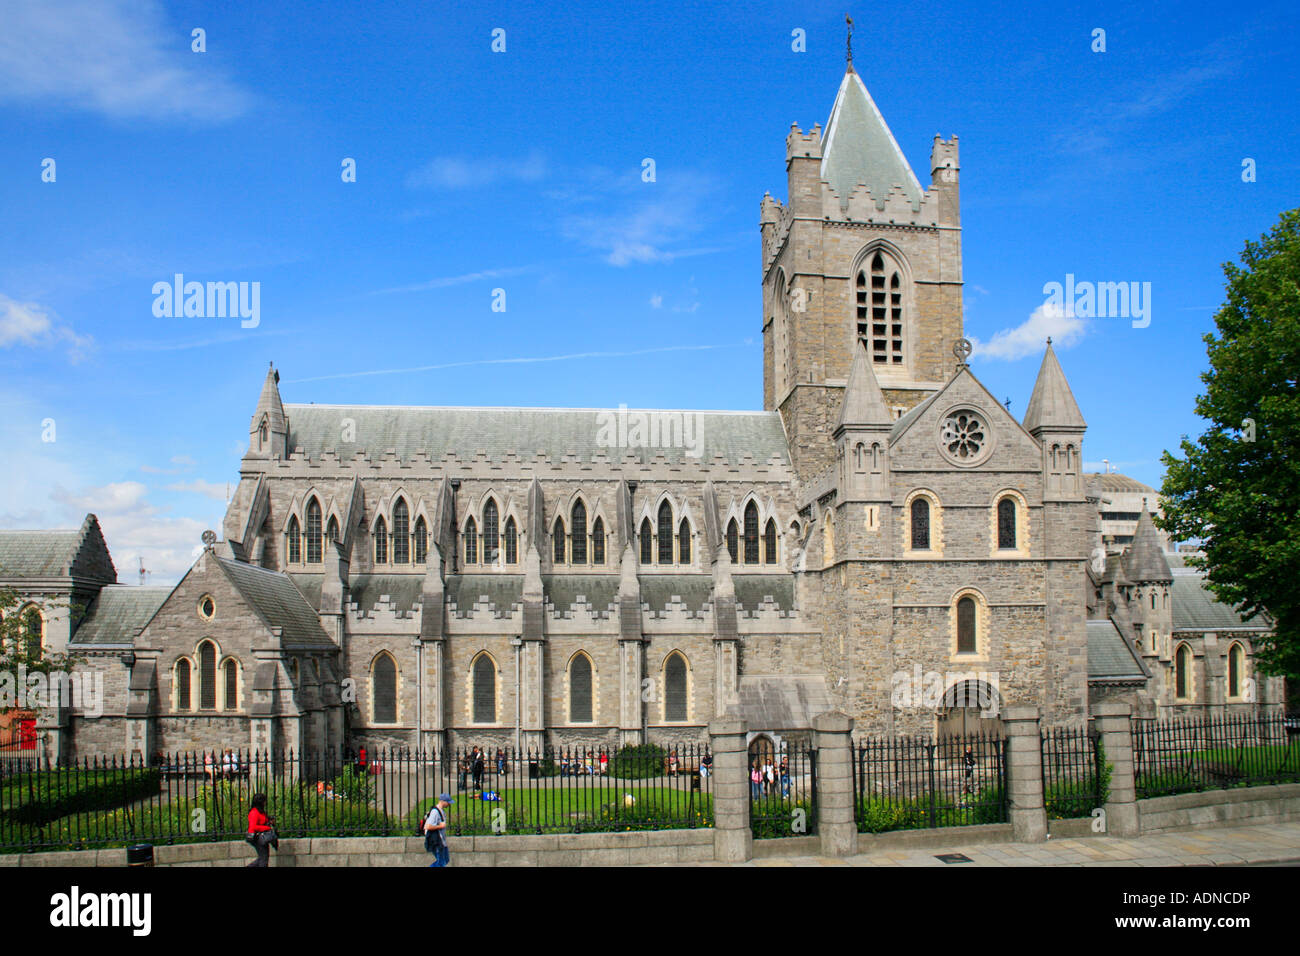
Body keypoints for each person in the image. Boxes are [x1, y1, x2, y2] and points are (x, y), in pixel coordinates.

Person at [246, 793, 278, 867]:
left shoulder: (261, 812)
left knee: (263, 858)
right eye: (264, 801)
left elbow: (263, 821)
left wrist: (269, 821)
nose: (265, 803)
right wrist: (267, 828)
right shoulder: (254, 812)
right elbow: (253, 826)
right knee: (263, 859)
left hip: (263, 837)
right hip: (257, 837)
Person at [423, 793, 454, 868]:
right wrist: (440, 826)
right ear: (443, 801)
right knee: (441, 863)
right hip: (436, 841)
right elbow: (427, 826)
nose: (449, 804)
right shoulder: (435, 812)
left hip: (441, 841)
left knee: (445, 860)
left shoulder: (441, 811)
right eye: (448, 802)